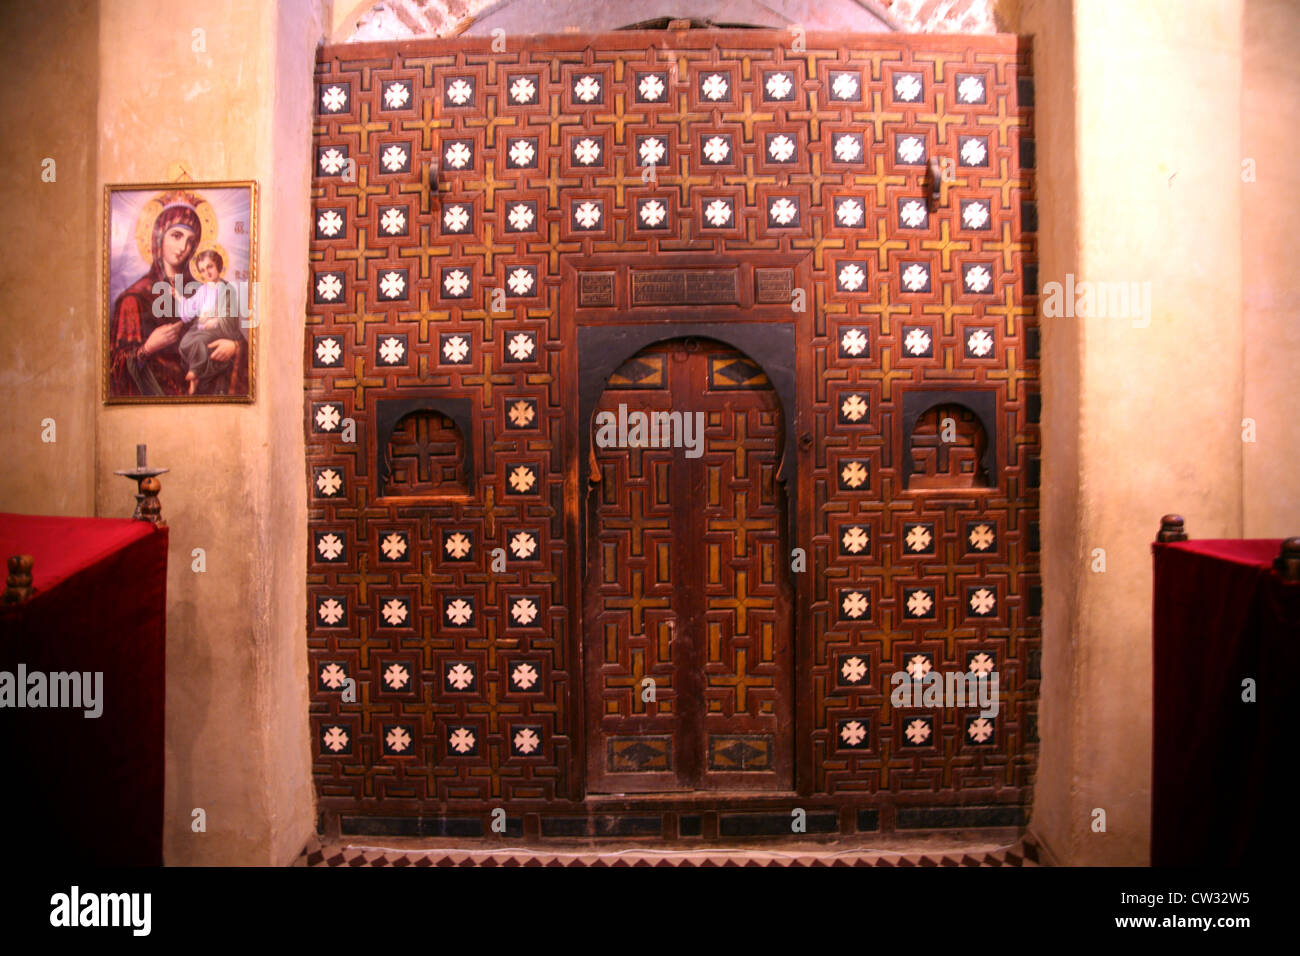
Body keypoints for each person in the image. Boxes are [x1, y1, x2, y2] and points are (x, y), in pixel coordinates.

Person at [108, 194, 241, 397]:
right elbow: (114, 368)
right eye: (176, 236)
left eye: (190, 241)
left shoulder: (206, 288)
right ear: (158, 236)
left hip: (205, 399)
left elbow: (232, 331)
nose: (183, 248)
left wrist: (234, 347)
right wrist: (147, 348)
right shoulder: (134, 298)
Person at [178, 249, 244, 394]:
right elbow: (191, 307)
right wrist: (178, 298)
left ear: (218, 266)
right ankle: (195, 375)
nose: (207, 273)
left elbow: (229, 315)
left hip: (219, 329)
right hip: (202, 327)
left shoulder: (227, 289)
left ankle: (196, 372)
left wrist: (214, 321)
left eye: (210, 267)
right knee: (185, 342)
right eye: (202, 270)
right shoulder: (202, 289)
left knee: (200, 342)